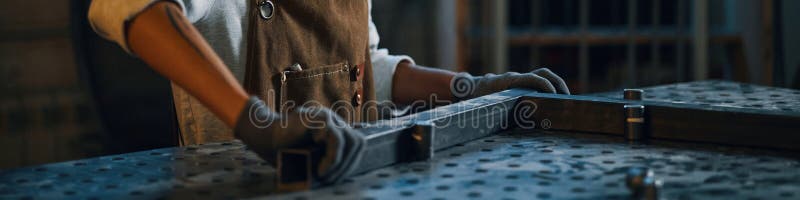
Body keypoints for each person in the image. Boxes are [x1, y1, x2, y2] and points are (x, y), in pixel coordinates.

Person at [88, 0, 570, 183]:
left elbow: (364, 68)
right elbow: (129, 9)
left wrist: (469, 89)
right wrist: (260, 125)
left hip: (341, 180)